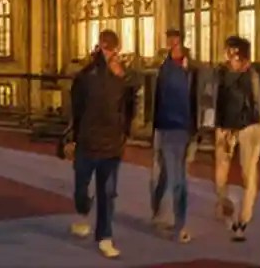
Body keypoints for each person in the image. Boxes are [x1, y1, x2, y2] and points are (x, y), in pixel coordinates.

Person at [67, 29, 136, 259]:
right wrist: (74, 137)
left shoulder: (123, 75)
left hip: (111, 144)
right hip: (87, 141)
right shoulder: (87, 74)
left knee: (108, 193)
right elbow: (76, 106)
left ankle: (105, 236)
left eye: (112, 48)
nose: (110, 52)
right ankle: (83, 208)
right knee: (81, 188)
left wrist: (124, 132)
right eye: (106, 47)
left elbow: (132, 102)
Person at [208, 35, 260, 243]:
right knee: (220, 174)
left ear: (239, 56)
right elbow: (214, 100)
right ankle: (225, 204)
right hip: (225, 127)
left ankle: (243, 219)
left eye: (230, 53)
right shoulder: (221, 74)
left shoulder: (256, 76)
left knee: (248, 173)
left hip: (251, 127)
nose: (226, 57)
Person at [150, 28, 199, 243]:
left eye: (174, 40)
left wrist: (197, 129)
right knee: (163, 175)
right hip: (165, 125)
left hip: (183, 128)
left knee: (178, 177)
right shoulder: (164, 68)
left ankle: (180, 223)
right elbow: (157, 97)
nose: (171, 43)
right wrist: (154, 127)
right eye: (168, 39)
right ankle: (158, 208)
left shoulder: (192, 69)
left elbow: (199, 97)